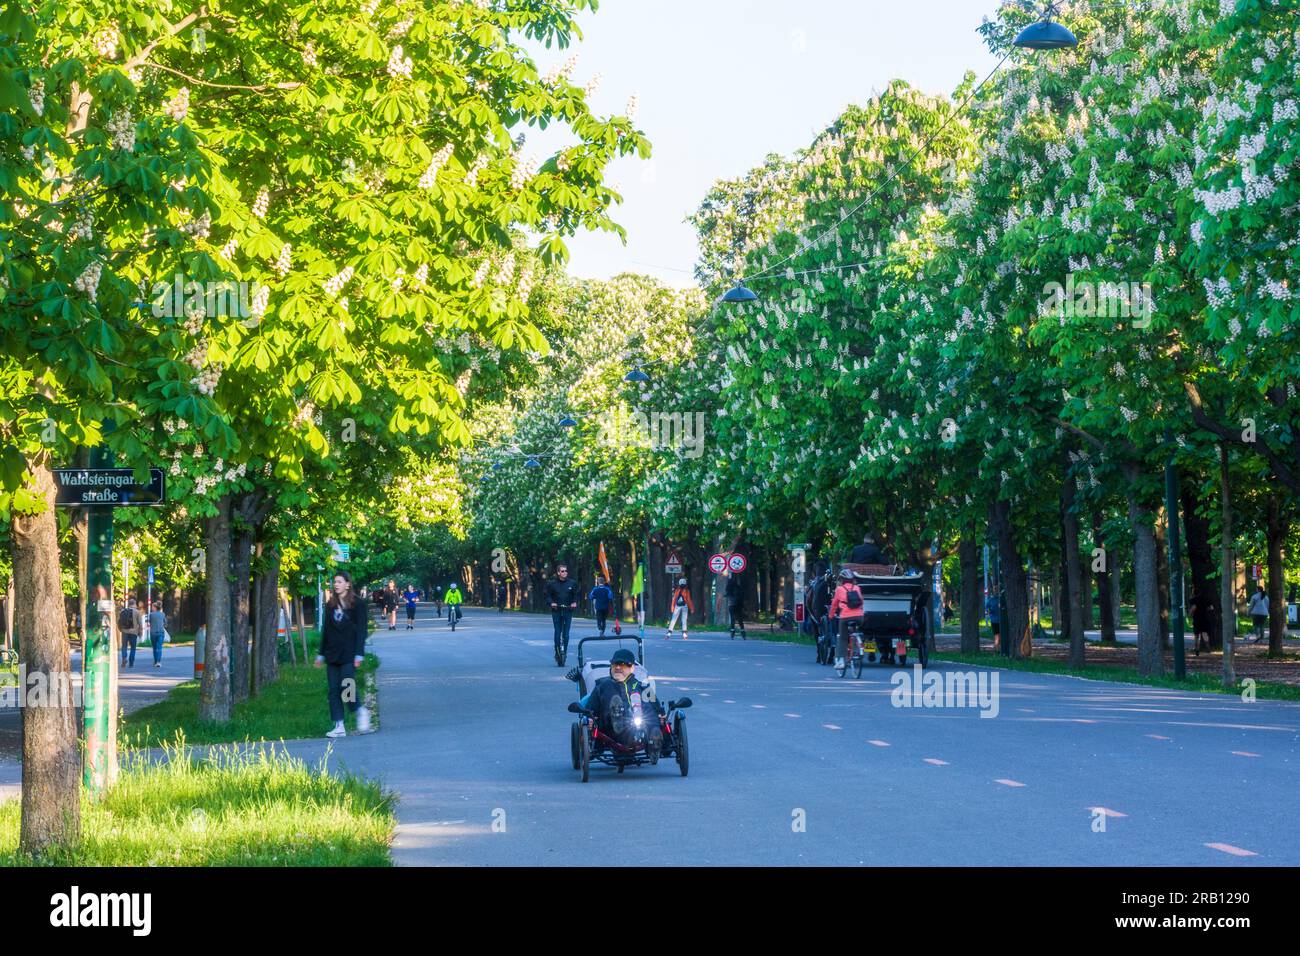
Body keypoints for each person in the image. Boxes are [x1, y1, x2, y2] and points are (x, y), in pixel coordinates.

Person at [314, 571, 369, 738]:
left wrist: (359, 653)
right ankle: (339, 725)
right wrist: (321, 654)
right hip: (332, 653)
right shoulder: (330, 604)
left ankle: (359, 710)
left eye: (339, 581)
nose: (336, 584)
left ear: (348, 584)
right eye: (335, 582)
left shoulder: (358, 604)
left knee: (347, 684)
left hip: (349, 653)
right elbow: (326, 631)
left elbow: (361, 630)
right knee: (333, 690)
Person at [578, 649, 661, 755]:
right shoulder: (603, 686)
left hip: (640, 727)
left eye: (622, 664)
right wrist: (588, 720)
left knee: (648, 709)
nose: (617, 667)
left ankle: (654, 738)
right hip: (610, 730)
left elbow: (657, 708)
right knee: (610, 692)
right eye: (615, 664)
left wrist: (661, 717)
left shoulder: (642, 685)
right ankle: (617, 717)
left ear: (631, 668)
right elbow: (589, 709)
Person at [829, 568, 865, 669]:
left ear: (842, 580)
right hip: (859, 617)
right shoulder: (857, 588)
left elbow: (834, 605)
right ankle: (857, 645)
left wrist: (831, 616)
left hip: (845, 617)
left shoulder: (839, 589)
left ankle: (841, 662)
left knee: (842, 638)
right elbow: (861, 601)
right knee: (855, 631)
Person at [546, 564, 580, 664]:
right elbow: (547, 595)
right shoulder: (552, 584)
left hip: (568, 610)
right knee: (557, 632)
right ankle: (557, 652)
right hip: (556, 610)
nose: (565, 573)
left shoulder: (572, 583)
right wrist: (551, 603)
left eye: (565, 571)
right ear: (558, 573)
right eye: (562, 571)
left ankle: (564, 652)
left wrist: (574, 602)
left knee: (566, 634)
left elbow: (576, 595)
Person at [118, 597, 143, 669]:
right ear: (134, 604)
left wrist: (121, 630)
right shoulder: (137, 612)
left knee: (124, 646)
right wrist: (140, 632)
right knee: (133, 648)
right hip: (133, 632)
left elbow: (119, 622)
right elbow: (140, 624)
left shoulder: (122, 611)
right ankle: (131, 663)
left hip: (124, 631)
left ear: (128, 604)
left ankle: (124, 658)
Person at [1190, 591, 1214, 656]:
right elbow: (1211, 608)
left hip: (1197, 619)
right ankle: (1208, 647)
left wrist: (1190, 614)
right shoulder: (1206, 599)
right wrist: (1206, 609)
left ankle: (1197, 649)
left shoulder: (1194, 600)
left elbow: (1193, 608)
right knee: (1205, 634)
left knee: (1196, 635)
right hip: (1205, 619)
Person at [724, 572, 746, 640]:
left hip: (732, 605)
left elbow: (726, 595)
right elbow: (742, 595)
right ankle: (743, 632)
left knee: (732, 619)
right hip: (739, 605)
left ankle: (732, 632)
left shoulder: (729, 588)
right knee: (740, 619)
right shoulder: (738, 587)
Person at [147, 601, 168, 668]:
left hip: (153, 633)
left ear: (155, 607)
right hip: (161, 632)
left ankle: (155, 661)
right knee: (159, 647)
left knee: (154, 648)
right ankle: (158, 662)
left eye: (153, 607)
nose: (152, 608)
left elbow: (149, 622)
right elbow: (165, 623)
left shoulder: (151, 614)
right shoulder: (163, 614)